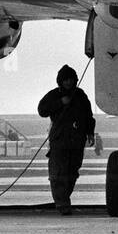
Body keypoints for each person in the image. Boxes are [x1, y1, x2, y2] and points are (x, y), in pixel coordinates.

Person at [37, 64, 96, 215]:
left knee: (72, 172)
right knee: (58, 174)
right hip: (60, 140)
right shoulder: (54, 95)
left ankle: (63, 201)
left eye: (70, 80)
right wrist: (60, 103)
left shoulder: (80, 95)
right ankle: (62, 204)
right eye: (65, 80)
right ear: (60, 81)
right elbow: (42, 110)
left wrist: (90, 132)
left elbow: (88, 116)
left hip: (77, 140)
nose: (68, 82)